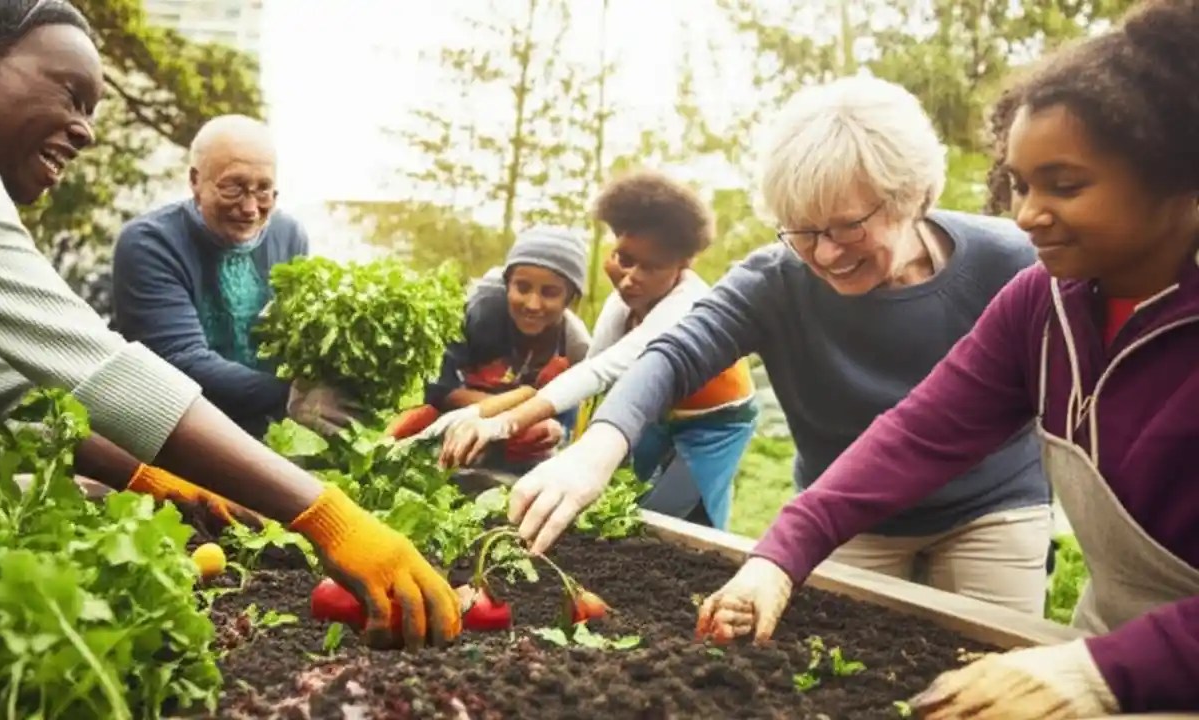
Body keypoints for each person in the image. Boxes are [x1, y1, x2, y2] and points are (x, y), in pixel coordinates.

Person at [696, 1, 1199, 715]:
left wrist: (1099, 673)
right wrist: (779, 558)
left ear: (1175, 176)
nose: (1025, 215)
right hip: (1112, 659)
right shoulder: (1040, 304)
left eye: (1066, 185)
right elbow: (918, 433)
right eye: (1022, 185)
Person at [0, 0, 457, 649]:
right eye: (71, 93)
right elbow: (100, 371)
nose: (85, 131)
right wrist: (328, 515)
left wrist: (149, 478)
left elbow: (19, 391)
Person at [509, 75, 1055, 617]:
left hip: (993, 510)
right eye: (802, 230)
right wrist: (594, 452)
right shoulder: (777, 279)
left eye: (847, 227)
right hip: (843, 517)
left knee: (991, 672)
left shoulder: (1010, 262)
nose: (825, 254)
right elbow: (674, 355)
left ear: (912, 196)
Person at [440, 170, 757, 529]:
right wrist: (566, 450)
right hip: (655, 405)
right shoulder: (625, 300)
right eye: (623, 259)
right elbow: (591, 378)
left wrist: (502, 422)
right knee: (621, 490)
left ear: (682, 265)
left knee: (674, 511)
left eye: (650, 268)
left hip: (709, 420)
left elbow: (604, 370)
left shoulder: (687, 306)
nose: (629, 278)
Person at [112, 115, 354, 439]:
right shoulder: (150, 243)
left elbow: (299, 341)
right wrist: (292, 397)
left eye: (264, 190)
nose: (251, 208)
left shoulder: (289, 235)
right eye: (233, 188)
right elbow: (180, 360)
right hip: (177, 437)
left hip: (270, 435)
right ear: (196, 181)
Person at [387, 227, 591, 473]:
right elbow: (439, 391)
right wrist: (516, 402)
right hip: (455, 416)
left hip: (515, 434)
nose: (533, 304)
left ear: (570, 299)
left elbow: (564, 417)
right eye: (522, 288)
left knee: (541, 432)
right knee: (418, 418)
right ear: (507, 285)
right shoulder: (480, 314)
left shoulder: (575, 345)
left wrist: (547, 426)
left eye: (550, 293)